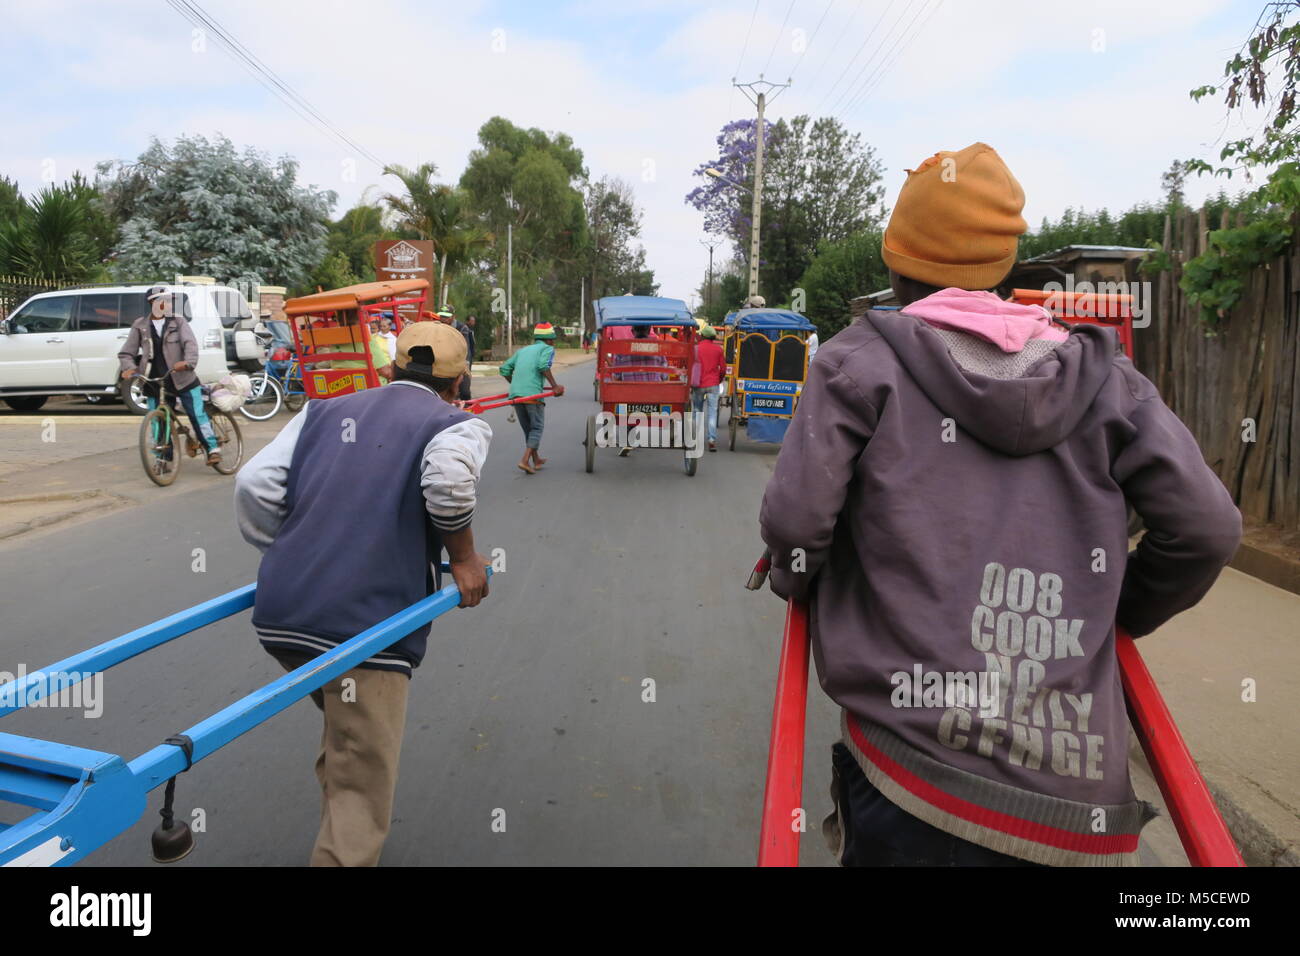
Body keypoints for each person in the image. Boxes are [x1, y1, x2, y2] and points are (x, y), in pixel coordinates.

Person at [758, 142, 1243, 868]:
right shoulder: (1106, 378)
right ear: (1006, 266)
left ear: (895, 266)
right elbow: (1207, 529)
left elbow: (798, 526)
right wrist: (1117, 614)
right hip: (1082, 809)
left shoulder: (859, 362)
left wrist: (796, 580)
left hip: (915, 781)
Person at [234, 321, 491, 866]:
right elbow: (447, 486)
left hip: (283, 617)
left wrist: (287, 553)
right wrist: (464, 559)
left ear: (389, 369)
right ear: (459, 383)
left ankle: (339, 796)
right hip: (367, 628)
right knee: (362, 775)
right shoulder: (455, 424)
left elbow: (254, 484)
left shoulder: (321, 411)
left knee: (345, 727)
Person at [118, 285, 221, 466]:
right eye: (163, 300)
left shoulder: (178, 322)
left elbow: (190, 344)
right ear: (153, 303)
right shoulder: (140, 325)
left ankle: (212, 448)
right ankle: (163, 458)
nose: (168, 304)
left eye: (169, 300)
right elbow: (126, 353)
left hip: (182, 378)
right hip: (154, 381)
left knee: (196, 414)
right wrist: (128, 367)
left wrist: (188, 362)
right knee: (158, 421)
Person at [499, 322, 565, 474]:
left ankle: (536, 459)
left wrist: (516, 385)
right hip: (532, 395)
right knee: (536, 428)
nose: (553, 342)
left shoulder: (523, 350)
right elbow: (543, 366)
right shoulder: (547, 349)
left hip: (516, 395)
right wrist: (555, 386)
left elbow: (504, 369)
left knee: (529, 429)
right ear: (549, 339)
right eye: (553, 339)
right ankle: (524, 460)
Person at [690, 324, 726, 452]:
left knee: (697, 410)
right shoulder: (719, 349)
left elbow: (690, 366)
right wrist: (719, 380)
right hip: (713, 384)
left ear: (702, 336)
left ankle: (694, 437)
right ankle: (711, 439)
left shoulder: (695, 348)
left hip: (698, 384)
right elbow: (723, 369)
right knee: (712, 412)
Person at [432, 309, 475, 401]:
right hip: (441, 363)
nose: (443, 319)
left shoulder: (462, 328)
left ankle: (468, 409)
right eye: (442, 316)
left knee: (465, 392)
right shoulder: (436, 327)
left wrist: (465, 366)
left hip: (460, 362)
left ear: (453, 317)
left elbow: (465, 348)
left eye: (446, 317)